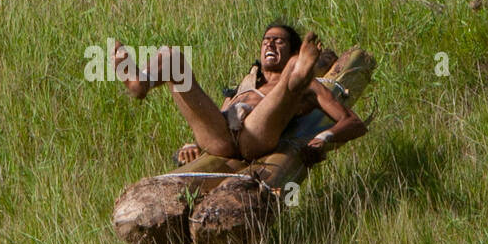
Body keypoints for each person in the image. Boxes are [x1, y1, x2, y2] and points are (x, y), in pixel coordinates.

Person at [114, 23, 367, 167]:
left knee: (294, 78)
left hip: (257, 137)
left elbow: (354, 123)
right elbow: (212, 118)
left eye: (279, 41)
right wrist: (191, 147)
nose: (270, 43)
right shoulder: (243, 86)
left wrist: (325, 137)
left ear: (293, 51)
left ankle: (295, 71)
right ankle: (140, 82)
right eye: (267, 40)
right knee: (172, 58)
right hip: (221, 139)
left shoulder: (310, 86)